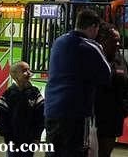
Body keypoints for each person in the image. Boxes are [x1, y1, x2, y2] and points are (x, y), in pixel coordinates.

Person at [45, 9, 113, 157]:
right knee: (75, 151)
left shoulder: (59, 42)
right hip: (75, 113)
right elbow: (107, 75)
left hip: (52, 110)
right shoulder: (91, 46)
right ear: (93, 27)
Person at [95, 22, 128, 157]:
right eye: (114, 41)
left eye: (119, 41)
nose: (118, 45)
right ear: (102, 40)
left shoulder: (120, 60)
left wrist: (125, 107)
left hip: (112, 119)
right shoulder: (93, 57)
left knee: (106, 152)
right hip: (93, 119)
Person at [0, 61, 44, 157]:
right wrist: (7, 136)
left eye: (29, 70)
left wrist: (37, 136)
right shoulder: (8, 94)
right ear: (15, 76)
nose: (29, 73)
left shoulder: (35, 93)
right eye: (24, 71)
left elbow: (41, 115)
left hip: (30, 139)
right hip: (13, 139)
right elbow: (1, 117)